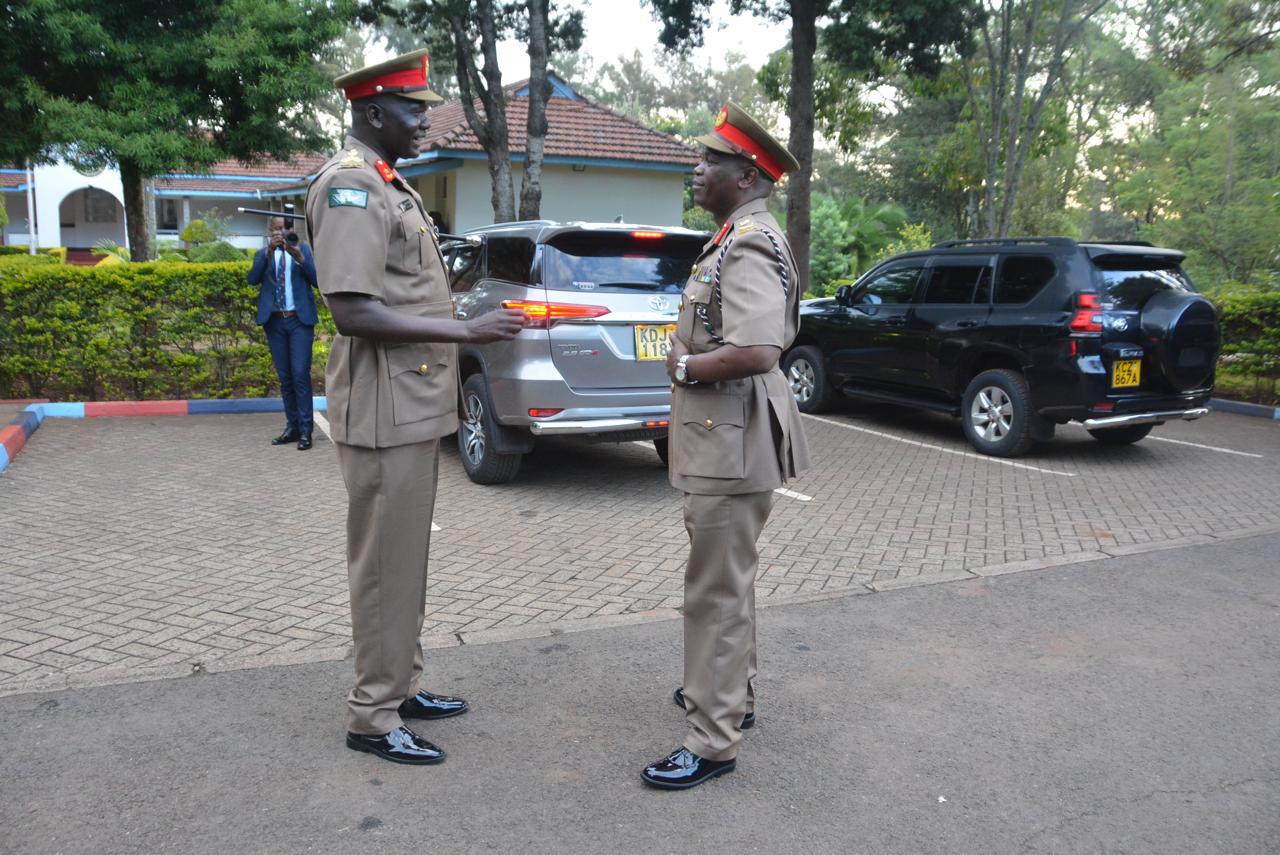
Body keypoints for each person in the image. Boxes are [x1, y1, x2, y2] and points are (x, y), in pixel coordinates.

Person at [305, 48, 527, 765]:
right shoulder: (351, 186)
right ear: (373, 112)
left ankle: (400, 684)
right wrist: (466, 331)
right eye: (412, 109)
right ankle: (372, 716)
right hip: (383, 408)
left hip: (408, 402)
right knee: (383, 567)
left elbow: (406, 294)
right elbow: (352, 311)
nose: (425, 120)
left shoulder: (387, 183)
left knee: (404, 560)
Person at [642, 102, 810, 790]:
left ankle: (712, 740)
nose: (697, 167)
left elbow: (758, 348)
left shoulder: (747, 242)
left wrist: (685, 366)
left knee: (714, 589)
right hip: (726, 437)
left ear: (746, 174)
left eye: (710, 159)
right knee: (727, 578)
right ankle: (731, 695)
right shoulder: (738, 235)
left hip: (730, 439)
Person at [248, 215, 319, 450]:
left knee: (300, 374)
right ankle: (292, 427)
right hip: (275, 322)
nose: (282, 232)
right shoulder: (263, 254)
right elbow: (252, 279)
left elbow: (317, 281)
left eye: (286, 228)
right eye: (278, 229)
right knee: (286, 377)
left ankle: (306, 430)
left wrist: (299, 257)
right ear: (271, 231)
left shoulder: (303, 250)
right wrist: (269, 252)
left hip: (299, 321)